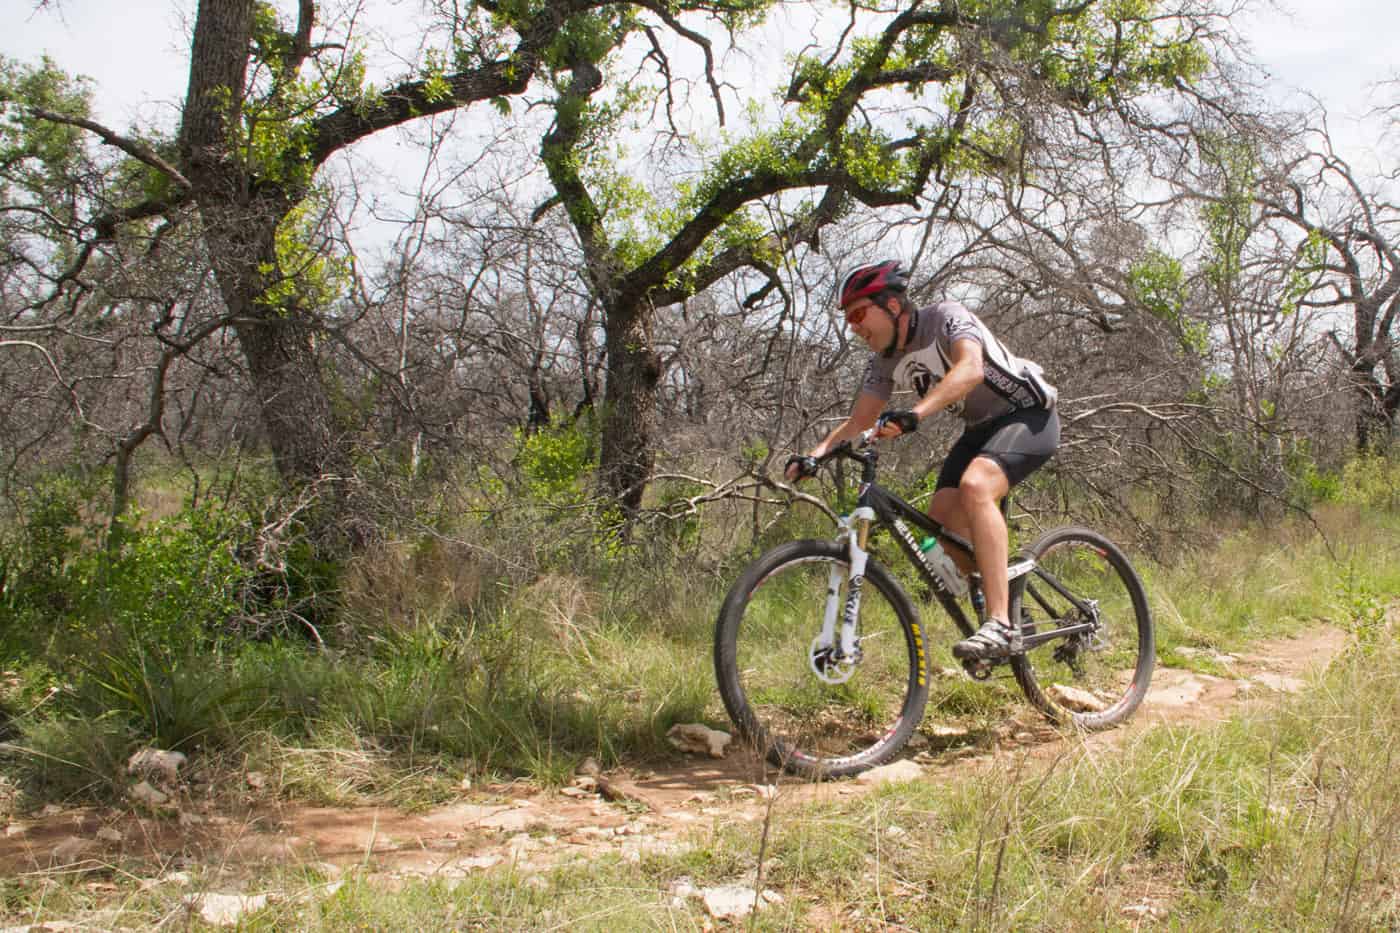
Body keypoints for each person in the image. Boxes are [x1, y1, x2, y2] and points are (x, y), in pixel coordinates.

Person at [784, 260, 1060, 660]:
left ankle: (1000, 622)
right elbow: (859, 421)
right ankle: (1005, 607)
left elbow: (970, 369)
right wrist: (814, 456)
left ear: (893, 306)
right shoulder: (883, 361)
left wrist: (915, 414)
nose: (854, 327)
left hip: (1029, 413)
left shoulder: (945, 317)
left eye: (859, 314)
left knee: (976, 487)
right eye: (848, 321)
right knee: (943, 527)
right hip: (981, 429)